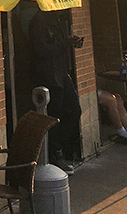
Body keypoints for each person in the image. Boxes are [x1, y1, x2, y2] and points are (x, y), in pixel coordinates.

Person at [28, 10, 82, 168]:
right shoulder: (39, 21)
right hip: (49, 76)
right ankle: (55, 154)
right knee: (54, 117)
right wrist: (63, 44)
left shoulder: (56, 20)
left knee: (74, 110)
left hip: (61, 73)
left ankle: (59, 148)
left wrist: (70, 43)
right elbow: (41, 50)